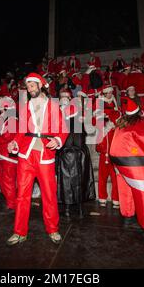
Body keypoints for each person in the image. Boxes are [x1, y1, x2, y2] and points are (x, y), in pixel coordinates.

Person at [6, 73, 68, 245]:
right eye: (28, 86)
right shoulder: (25, 106)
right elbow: (20, 131)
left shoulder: (53, 106)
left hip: (45, 156)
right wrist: (14, 142)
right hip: (25, 155)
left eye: (33, 85)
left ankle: (53, 229)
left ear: (40, 85)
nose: (30, 89)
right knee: (22, 195)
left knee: (49, 195)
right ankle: (19, 232)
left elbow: (63, 128)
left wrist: (57, 139)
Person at [110, 98, 144, 237]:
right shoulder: (141, 123)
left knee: (126, 190)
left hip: (119, 163)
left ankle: (128, 218)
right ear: (140, 111)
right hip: (137, 164)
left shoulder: (121, 124)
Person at [56, 89, 95, 217]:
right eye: (62, 97)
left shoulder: (75, 116)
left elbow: (77, 139)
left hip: (73, 153)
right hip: (72, 153)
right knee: (73, 182)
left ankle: (73, 209)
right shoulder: (60, 117)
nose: (64, 100)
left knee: (73, 182)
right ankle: (77, 209)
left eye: (66, 97)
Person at [0, 96, 18, 215]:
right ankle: (10, 202)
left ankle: (12, 205)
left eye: (0, 110)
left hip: (9, 157)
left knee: (7, 181)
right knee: (4, 180)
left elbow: (7, 137)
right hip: (5, 155)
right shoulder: (10, 120)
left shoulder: (11, 120)